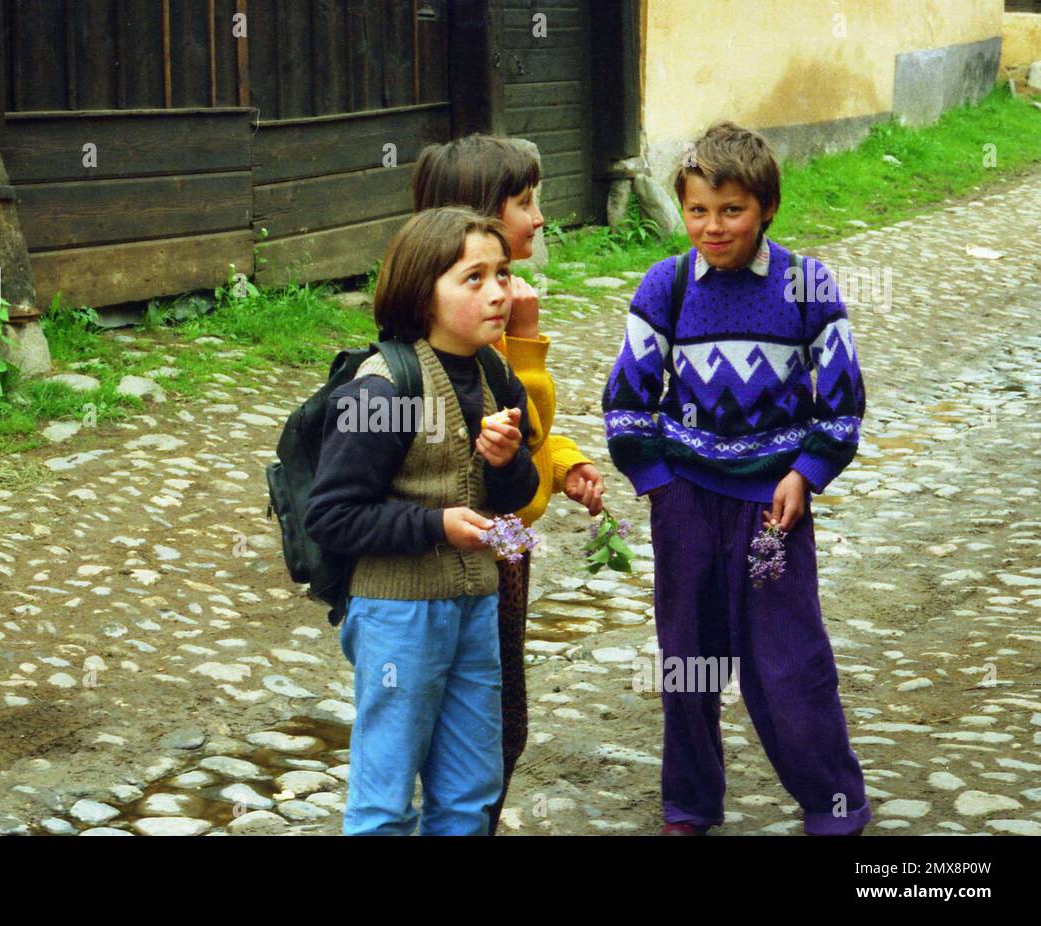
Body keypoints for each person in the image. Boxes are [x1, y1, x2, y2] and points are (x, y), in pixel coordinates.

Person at [602, 121, 871, 836]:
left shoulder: (806, 285)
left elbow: (841, 399)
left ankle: (833, 802)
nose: (712, 227)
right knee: (688, 662)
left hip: (772, 507)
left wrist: (808, 474)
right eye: (697, 210)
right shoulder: (665, 285)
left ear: (767, 208)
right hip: (687, 500)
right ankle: (690, 802)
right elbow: (629, 398)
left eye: (732, 210)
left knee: (788, 664)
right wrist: (658, 483)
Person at [305, 207, 540, 835]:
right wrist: (437, 526)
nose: (499, 292)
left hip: (475, 607)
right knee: (384, 801)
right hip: (399, 617)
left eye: (503, 273)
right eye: (473, 278)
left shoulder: (496, 376)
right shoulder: (382, 390)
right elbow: (330, 515)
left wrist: (508, 462)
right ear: (422, 292)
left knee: (471, 790)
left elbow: (520, 492)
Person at [412, 135, 604, 833]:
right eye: (525, 202)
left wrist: (567, 461)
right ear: (480, 218)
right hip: (482, 550)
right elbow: (512, 439)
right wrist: (525, 340)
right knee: (490, 726)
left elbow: (535, 441)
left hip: (501, 548)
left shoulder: (468, 305)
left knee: (489, 722)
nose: (541, 217)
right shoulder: (474, 323)